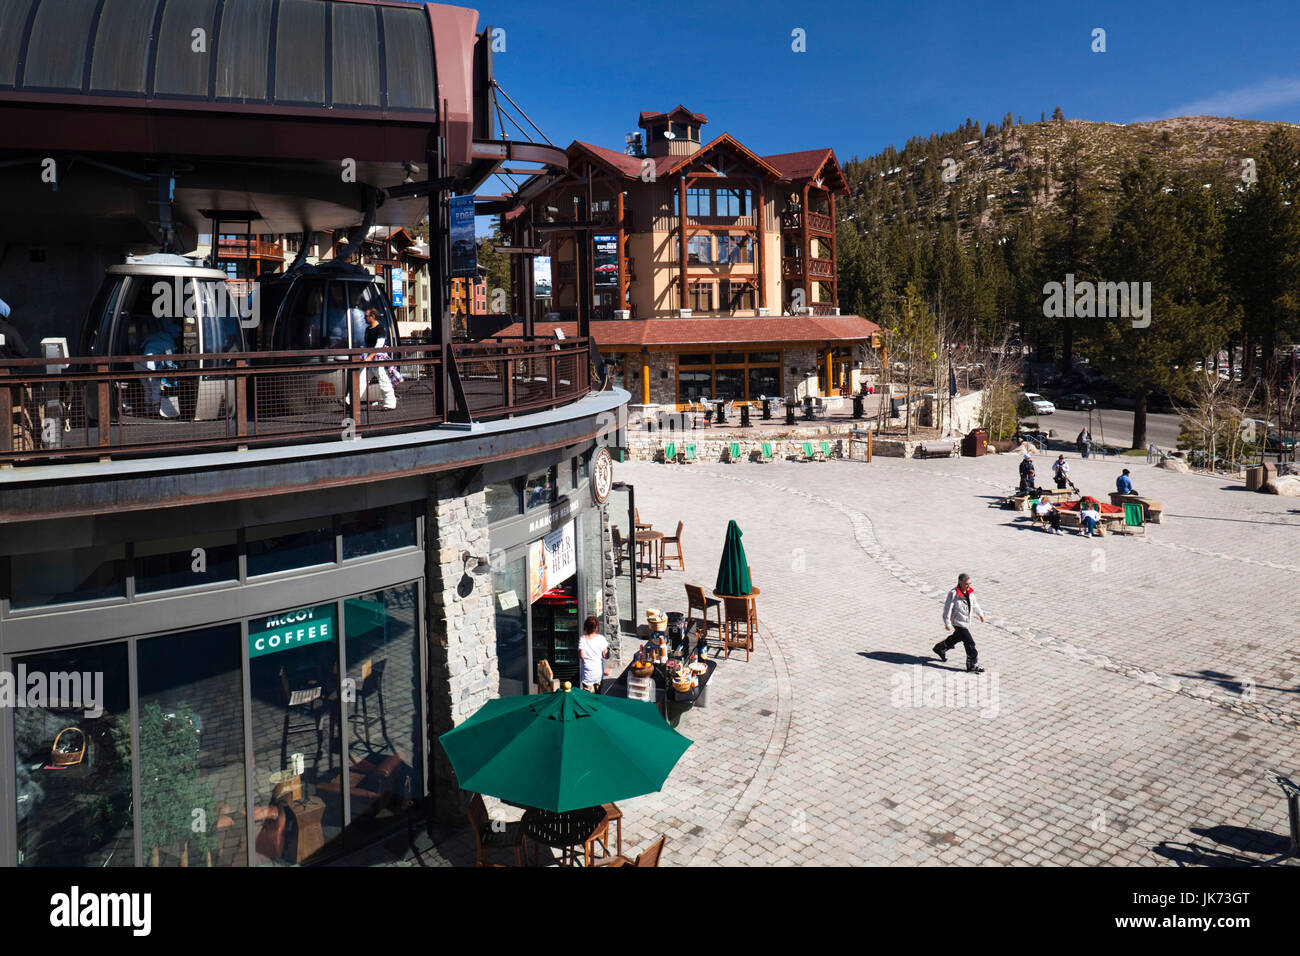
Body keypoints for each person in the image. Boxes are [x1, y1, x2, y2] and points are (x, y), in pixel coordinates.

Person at [933, 573, 987, 673]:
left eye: (969, 583)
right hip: (958, 622)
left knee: (957, 637)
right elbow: (947, 608)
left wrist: (980, 614)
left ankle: (940, 648)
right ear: (960, 582)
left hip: (966, 621)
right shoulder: (953, 593)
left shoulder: (970, 592)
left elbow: (975, 604)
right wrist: (947, 623)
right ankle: (972, 665)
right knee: (970, 643)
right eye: (966, 584)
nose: (968, 586)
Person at [362, 309, 396, 410]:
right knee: (361, 379)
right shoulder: (368, 329)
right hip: (370, 357)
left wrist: (369, 357)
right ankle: (349, 400)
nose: (364, 318)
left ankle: (390, 404)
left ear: (372, 316)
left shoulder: (380, 329)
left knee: (383, 380)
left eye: (366, 316)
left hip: (377, 359)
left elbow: (379, 345)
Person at [579, 615, 609, 692]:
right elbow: (605, 654)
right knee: (598, 697)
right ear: (596, 627)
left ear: (586, 627)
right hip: (598, 673)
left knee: (588, 699)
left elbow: (582, 656)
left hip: (588, 674)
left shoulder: (583, 639)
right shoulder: (601, 638)